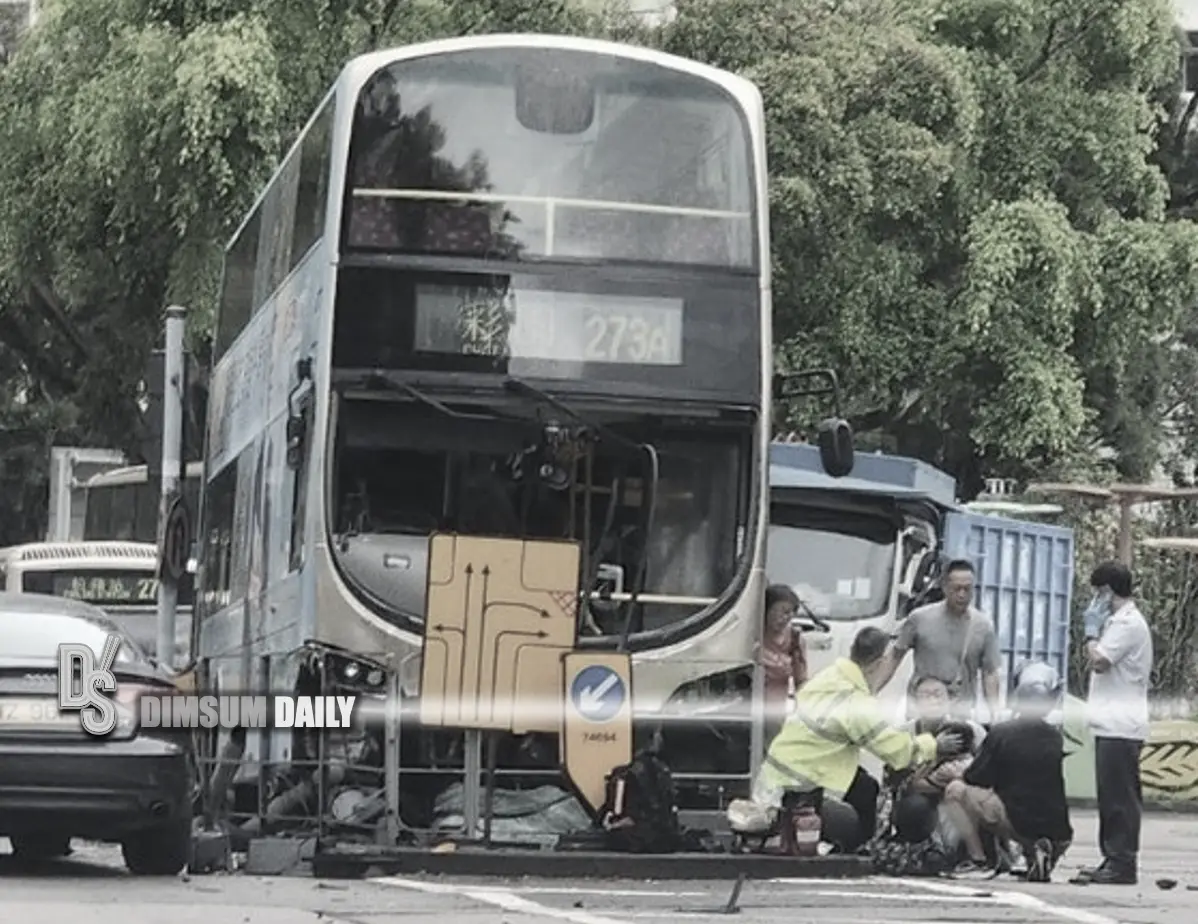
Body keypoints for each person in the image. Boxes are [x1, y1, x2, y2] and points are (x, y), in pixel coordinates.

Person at [753, 626, 967, 852]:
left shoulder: (830, 676)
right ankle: (859, 848)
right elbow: (895, 751)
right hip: (805, 780)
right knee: (862, 796)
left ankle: (850, 844)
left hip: (778, 773)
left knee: (864, 785)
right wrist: (934, 745)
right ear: (879, 662)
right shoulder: (856, 701)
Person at [942, 661, 1073, 883]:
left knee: (956, 791)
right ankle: (1038, 856)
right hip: (1061, 830)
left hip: (1019, 821)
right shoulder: (1055, 737)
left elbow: (977, 778)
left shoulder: (1003, 733)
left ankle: (980, 860)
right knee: (1028, 807)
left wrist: (955, 773)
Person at [1072, 561, 1153, 886]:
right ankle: (1112, 858)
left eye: (1097, 593)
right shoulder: (1118, 621)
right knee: (1111, 796)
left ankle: (1122, 862)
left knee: (1120, 797)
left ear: (1107, 591)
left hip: (1121, 725)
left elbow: (1100, 660)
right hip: (1111, 723)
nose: (1095, 601)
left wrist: (1091, 633)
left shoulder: (1127, 624)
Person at [877, 559, 1002, 722]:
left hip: (959, 715)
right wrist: (872, 691)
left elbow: (990, 672)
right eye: (956, 589)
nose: (962, 594)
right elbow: (894, 657)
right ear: (944, 588)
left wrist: (995, 713)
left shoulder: (983, 626)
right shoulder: (919, 619)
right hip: (921, 713)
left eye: (967, 589)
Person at [759, 584, 809, 746]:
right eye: (781, 611)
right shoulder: (752, 634)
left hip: (775, 713)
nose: (785, 618)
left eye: (790, 613)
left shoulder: (794, 640)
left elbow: (801, 680)